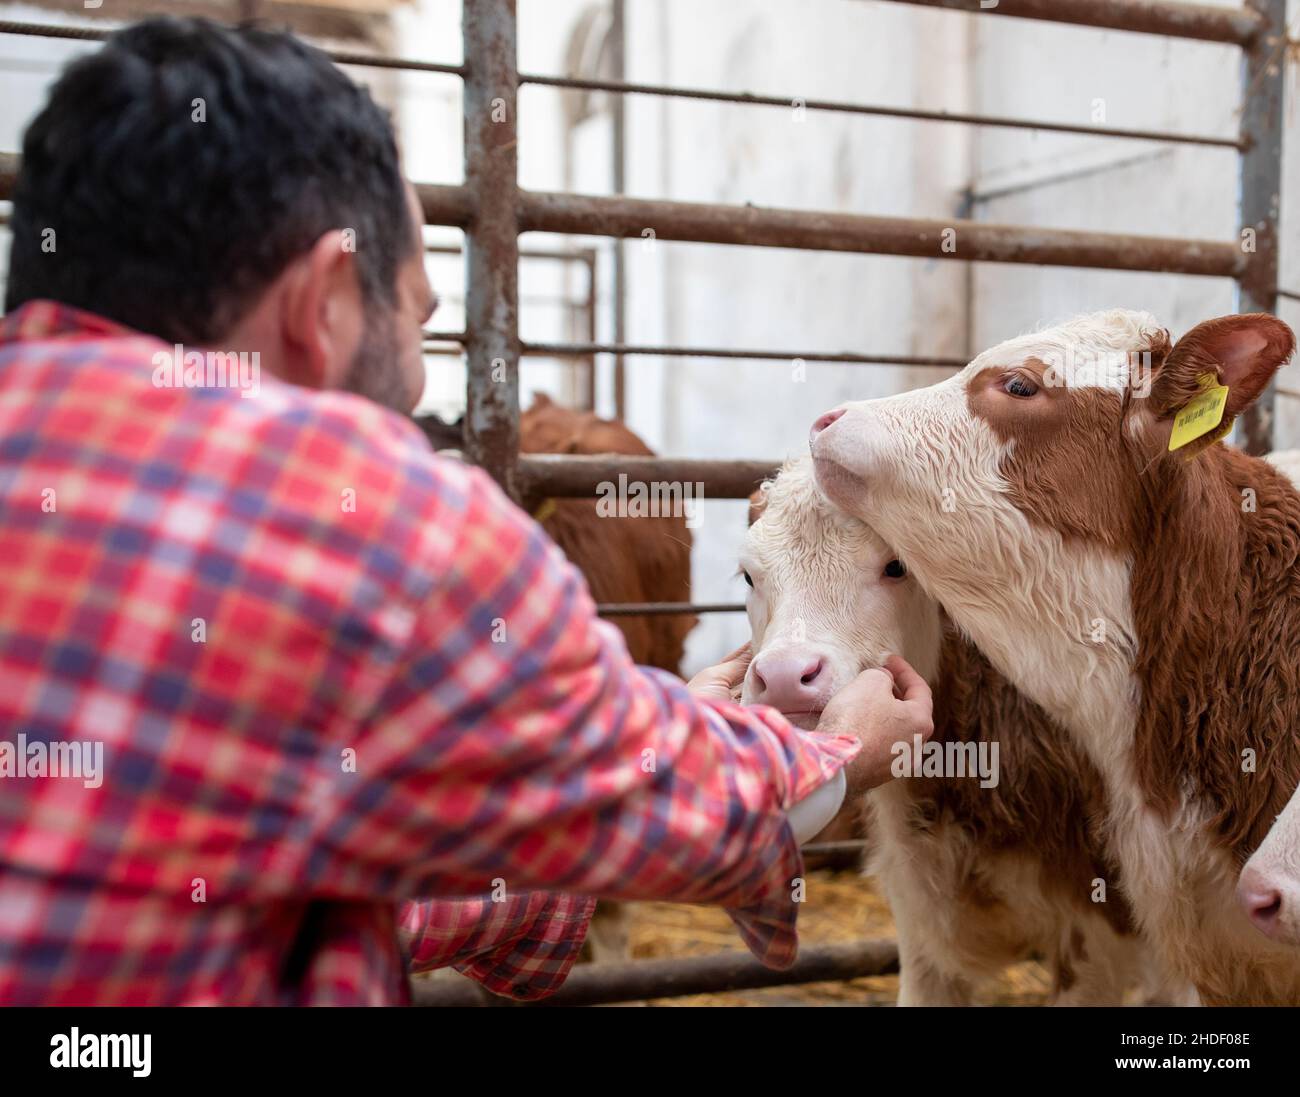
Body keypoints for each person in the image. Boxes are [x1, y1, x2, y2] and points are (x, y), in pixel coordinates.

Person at [0, 17, 933, 1005]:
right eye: (417, 315)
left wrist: (644, 739)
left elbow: (285, 887)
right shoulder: (365, 515)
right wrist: (836, 753)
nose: (411, 376)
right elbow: (658, 801)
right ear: (322, 305)